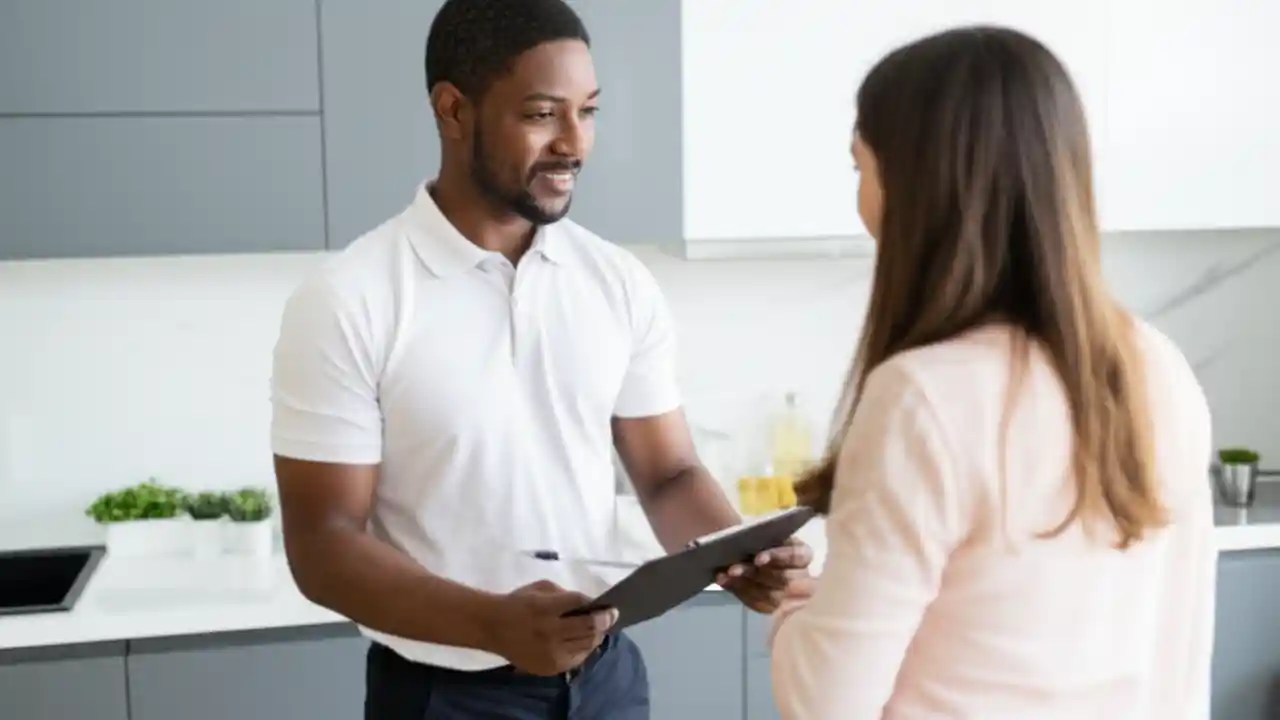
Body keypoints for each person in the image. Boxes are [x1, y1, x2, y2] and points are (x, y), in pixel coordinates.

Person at [268, 1, 813, 717]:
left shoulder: (616, 283)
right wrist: (492, 623)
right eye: (541, 114)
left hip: (606, 682)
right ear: (453, 110)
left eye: (587, 111)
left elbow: (668, 472)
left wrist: (731, 553)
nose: (573, 143)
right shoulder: (349, 298)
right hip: (445, 697)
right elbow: (323, 547)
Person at [769, 26, 1216, 720]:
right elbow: (1181, 653)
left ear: (913, 184)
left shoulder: (923, 397)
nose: (860, 198)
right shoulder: (1156, 363)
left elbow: (828, 704)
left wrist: (798, 612)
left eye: (860, 167)